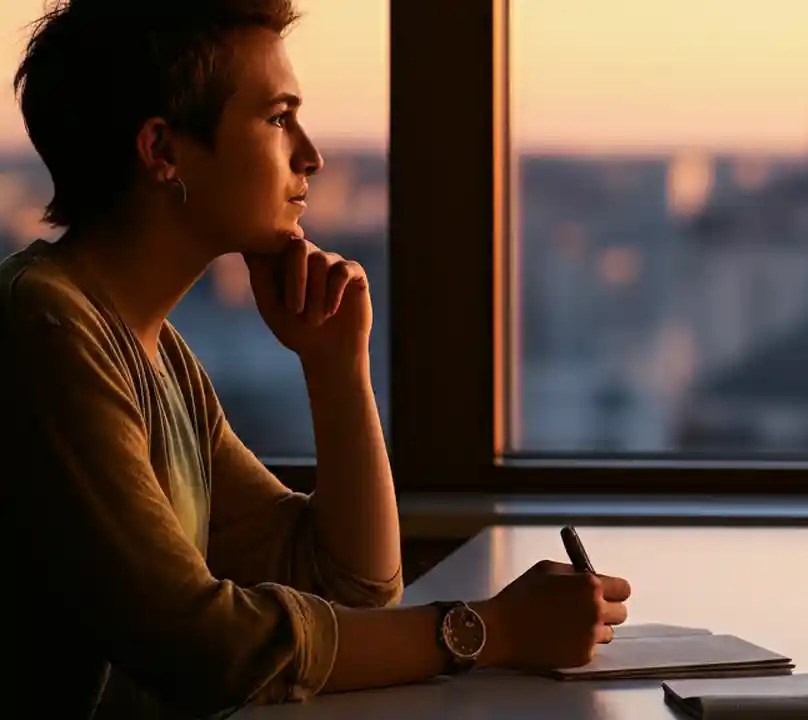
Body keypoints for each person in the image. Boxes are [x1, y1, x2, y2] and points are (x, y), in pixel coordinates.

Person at [0, 1, 631, 717]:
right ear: (162, 151)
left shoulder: (157, 353)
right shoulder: (47, 327)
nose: (311, 154)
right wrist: (493, 630)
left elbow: (349, 587)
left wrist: (336, 367)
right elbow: (204, 644)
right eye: (277, 117)